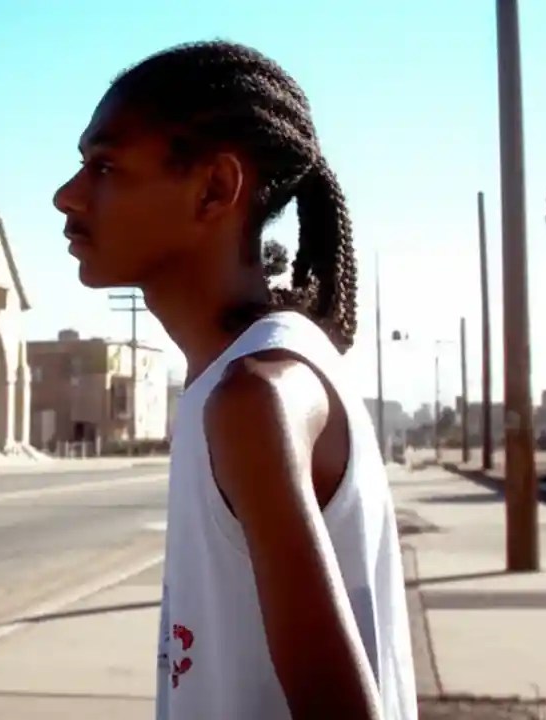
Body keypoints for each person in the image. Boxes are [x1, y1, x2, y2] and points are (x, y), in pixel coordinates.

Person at [52, 40, 417, 720]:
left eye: (104, 166)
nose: (66, 196)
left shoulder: (258, 396)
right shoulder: (229, 383)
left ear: (215, 188)